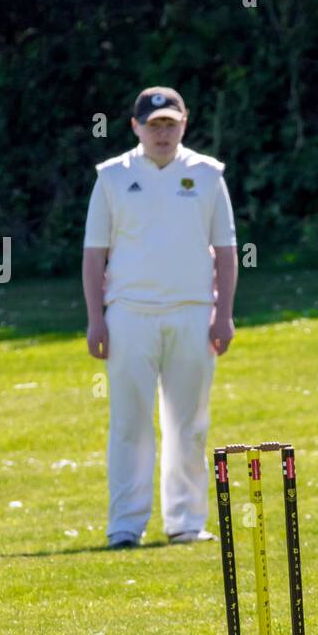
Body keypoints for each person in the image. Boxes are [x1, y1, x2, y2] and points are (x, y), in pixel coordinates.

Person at [83, 87, 238, 549]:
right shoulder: (111, 177)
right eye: (154, 125)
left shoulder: (208, 175)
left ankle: (186, 522)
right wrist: (96, 318)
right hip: (129, 314)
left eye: (170, 124)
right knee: (129, 423)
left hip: (193, 311)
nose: (163, 133)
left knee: (188, 423)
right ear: (136, 127)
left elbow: (227, 253)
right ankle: (125, 526)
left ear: (184, 124)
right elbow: (95, 255)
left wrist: (223, 314)